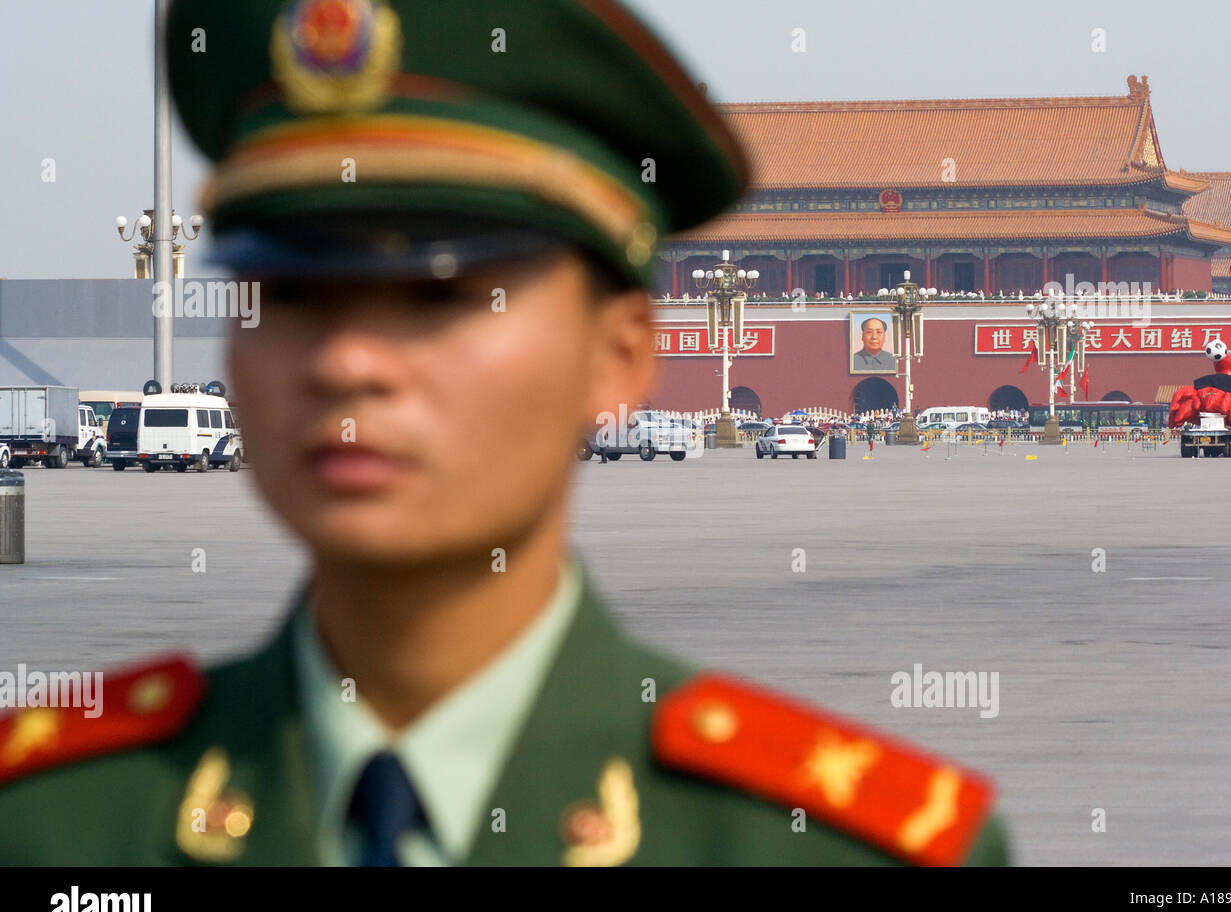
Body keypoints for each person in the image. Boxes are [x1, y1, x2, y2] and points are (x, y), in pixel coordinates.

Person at [0, 0, 1008, 867]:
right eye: (295, 291)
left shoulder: (816, 846)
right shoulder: (52, 825)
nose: (348, 360)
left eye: (443, 291)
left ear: (619, 357)